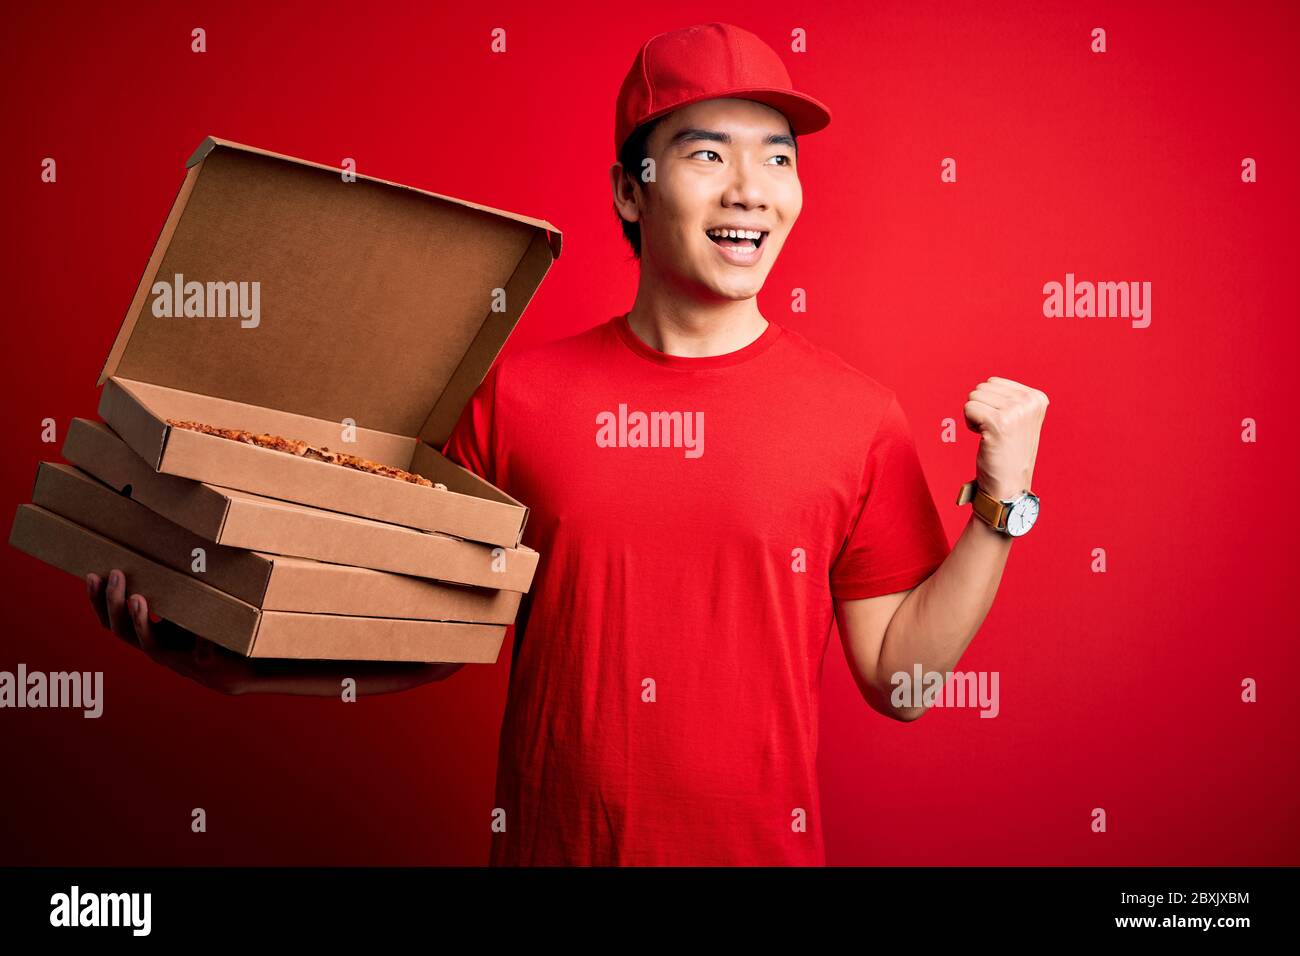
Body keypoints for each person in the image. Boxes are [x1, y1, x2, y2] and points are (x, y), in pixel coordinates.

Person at [87, 22, 1049, 865]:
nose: (751, 190)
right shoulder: (517, 398)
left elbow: (899, 681)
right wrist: (233, 656)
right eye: (706, 154)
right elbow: (428, 632)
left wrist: (1000, 509)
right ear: (631, 192)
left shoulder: (858, 417)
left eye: (778, 158)